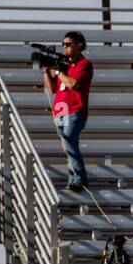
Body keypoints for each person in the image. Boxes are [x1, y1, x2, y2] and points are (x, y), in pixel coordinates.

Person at [44, 31, 93, 190]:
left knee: (69, 142)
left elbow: (74, 84)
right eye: (63, 44)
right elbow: (52, 88)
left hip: (75, 109)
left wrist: (59, 71)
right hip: (60, 109)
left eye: (69, 44)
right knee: (68, 145)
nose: (65, 47)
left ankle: (80, 178)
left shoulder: (84, 64)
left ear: (79, 45)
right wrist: (47, 70)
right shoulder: (64, 66)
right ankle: (73, 180)